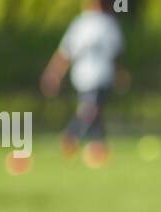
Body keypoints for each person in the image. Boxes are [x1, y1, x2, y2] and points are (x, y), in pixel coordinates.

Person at [40, 0, 125, 169]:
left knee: (93, 110)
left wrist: (53, 73)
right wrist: (54, 73)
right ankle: (71, 138)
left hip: (88, 77)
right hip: (96, 76)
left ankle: (96, 147)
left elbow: (65, 53)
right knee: (90, 110)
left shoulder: (83, 23)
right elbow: (116, 54)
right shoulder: (105, 24)